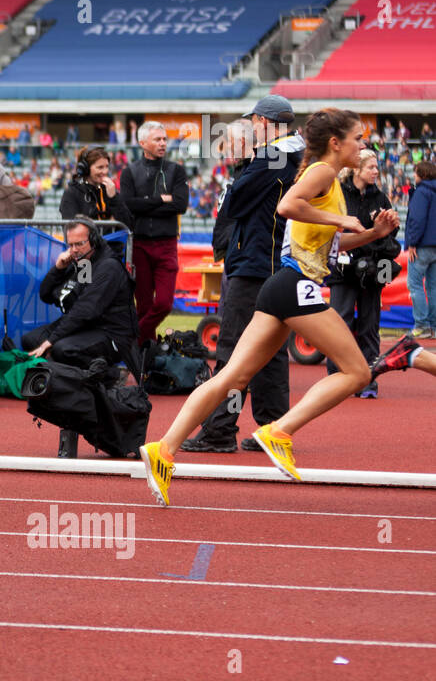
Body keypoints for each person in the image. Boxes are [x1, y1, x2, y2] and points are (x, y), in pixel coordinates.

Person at [140, 108, 401, 506]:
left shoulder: (321, 176)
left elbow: (326, 244)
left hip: (281, 287)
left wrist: (371, 233)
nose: (363, 145)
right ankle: (279, 430)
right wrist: (341, 218)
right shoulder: (323, 173)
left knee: (231, 376)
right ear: (336, 143)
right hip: (294, 285)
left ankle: (163, 449)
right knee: (357, 371)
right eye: (358, 138)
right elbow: (287, 208)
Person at [180, 96, 301, 453]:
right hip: (276, 263)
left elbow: (233, 205)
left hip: (254, 265)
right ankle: (274, 428)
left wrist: (243, 172)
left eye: (253, 124)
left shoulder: (271, 158)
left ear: (264, 122)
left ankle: (220, 429)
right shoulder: (293, 155)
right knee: (272, 351)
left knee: (233, 350)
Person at [324, 149, 400, 397]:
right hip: (343, 270)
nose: (376, 172)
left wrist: (392, 226)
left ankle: (368, 380)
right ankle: (337, 378)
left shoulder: (381, 198)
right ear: (357, 169)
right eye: (371, 167)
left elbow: (388, 236)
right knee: (339, 324)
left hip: (372, 271)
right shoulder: (338, 193)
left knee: (369, 326)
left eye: (377, 168)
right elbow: (331, 230)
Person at [22, 217, 138, 368]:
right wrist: (58, 269)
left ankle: (109, 375)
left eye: (79, 244)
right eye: (71, 245)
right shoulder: (80, 261)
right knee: (30, 340)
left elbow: (85, 309)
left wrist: (50, 341)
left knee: (62, 349)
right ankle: (65, 376)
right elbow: (46, 295)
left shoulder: (109, 266)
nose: (75, 249)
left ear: (94, 241)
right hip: (86, 326)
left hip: (112, 332)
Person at [120, 120, 189, 345]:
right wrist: (160, 200)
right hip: (140, 245)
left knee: (164, 304)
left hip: (167, 244)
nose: (162, 143)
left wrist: (145, 204)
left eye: (164, 139)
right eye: (157, 139)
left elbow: (180, 205)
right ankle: (144, 361)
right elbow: (129, 205)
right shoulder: (129, 172)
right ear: (142, 143)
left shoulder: (176, 170)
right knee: (144, 307)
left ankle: (132, 339)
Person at [58, 146, 133, 237]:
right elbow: (72, 232)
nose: (105, 171)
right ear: (86, 168)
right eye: (100, 167)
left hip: (113, 250)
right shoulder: (72, 193)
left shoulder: (110, 190)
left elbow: (129, 225)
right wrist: (110, 224)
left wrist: (114, 198)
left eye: (107, 167)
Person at [403, 161, 436, 338]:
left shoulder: (422, 192)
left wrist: (412, 242)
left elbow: (417, 218)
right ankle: (434, 327)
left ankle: (422, 326)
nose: (414, 176)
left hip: (422, 246)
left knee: (415, 285)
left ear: (422, 174)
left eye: (416, 173)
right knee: (433, 287)